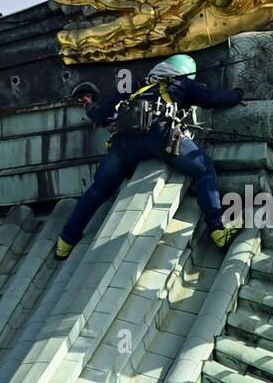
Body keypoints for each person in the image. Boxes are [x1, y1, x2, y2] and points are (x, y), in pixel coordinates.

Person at [54, 55, 245, 259]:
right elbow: (213, 99)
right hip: (160, 136)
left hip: (124, 143)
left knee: (98, 190)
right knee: (203, 168)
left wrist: (88, 103)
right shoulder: (181, 82)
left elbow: (101, 116)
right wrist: (238, 93)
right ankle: (218, 230)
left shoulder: (136, 86)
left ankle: (65, 241)